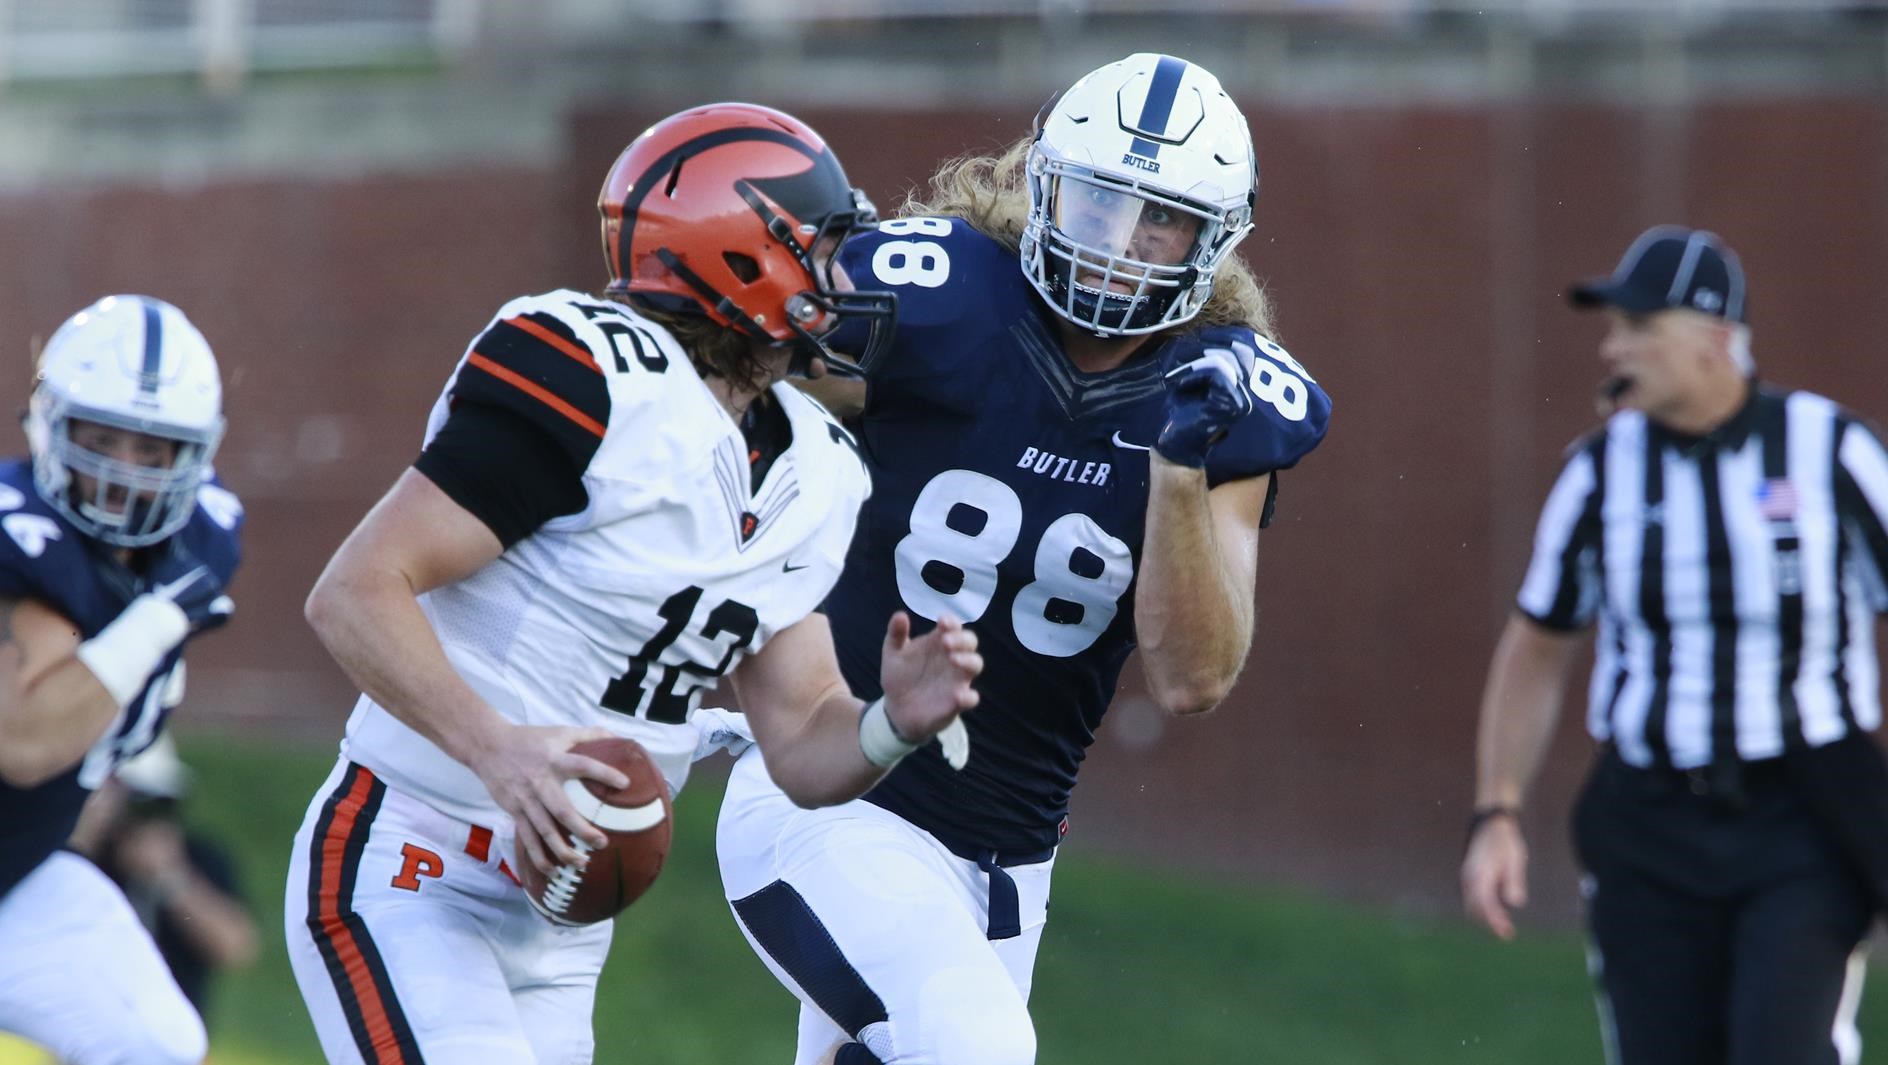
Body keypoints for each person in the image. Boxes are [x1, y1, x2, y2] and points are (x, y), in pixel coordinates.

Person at [283, 102, 983, 1065]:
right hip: (416, 860)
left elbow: (805, 741)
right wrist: (500, 752)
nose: (841, 278)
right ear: (744, 255)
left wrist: (890, 722)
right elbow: (358, 590)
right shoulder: (584, 372)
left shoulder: (816, 465)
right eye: (822, 248)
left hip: (565, 916)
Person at [714, 53, 1331, 1065]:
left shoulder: (1224, 398)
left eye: (1159, 221)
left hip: (1010, 858)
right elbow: (726, 408)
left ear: (1210, 240)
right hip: (837, 798)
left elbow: (1194, 678)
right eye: (1097, 205)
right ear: (1045, 186)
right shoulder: (933, 303)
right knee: (977, 1049)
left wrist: (1177, 469)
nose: (1119, 247)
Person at [1461, 225, 1886, 1064]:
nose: (1615, 348)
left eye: (1640, 329)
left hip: (1805, 809)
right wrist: (1497, 810)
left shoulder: (1831, 451)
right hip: (1650, 815)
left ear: (1716, 341)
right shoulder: (1599, 473)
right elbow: (1538, 643)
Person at [0, 295, 242, 1065]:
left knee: (154, 1042)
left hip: (18, 875)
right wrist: (156, 620)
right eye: (99, 441)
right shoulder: (24, 535)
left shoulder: (201, 533)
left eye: (151, 450)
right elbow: (25, 741)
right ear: (48, 427)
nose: (119, 474)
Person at [68, 732, 260, 1022]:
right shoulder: (85, 862)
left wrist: (171, 879)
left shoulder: (199, 856)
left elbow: (236, 947)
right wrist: (84, 836)